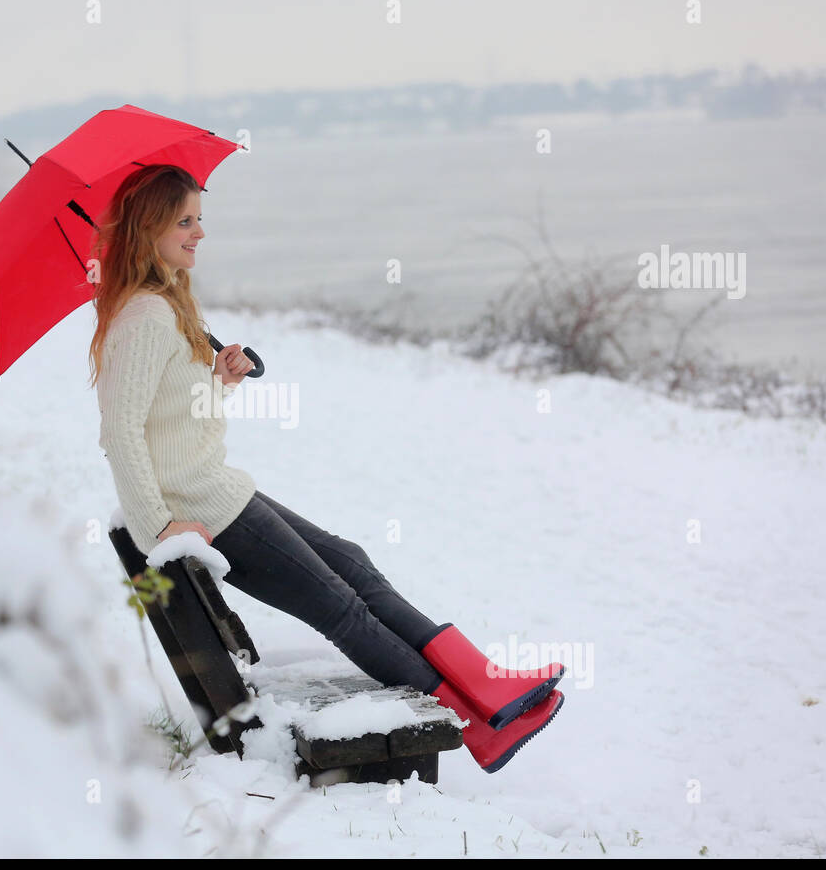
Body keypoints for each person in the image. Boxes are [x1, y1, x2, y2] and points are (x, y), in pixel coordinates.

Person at [88, 164, 564, 773]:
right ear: (148, 227)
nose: (200, 232)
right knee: (342, 610)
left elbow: (174, 422)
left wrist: (220, 381)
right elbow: (120, 434)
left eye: (200, 218)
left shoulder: (168, 306)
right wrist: (161, 529)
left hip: (220, 493)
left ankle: (487, 685)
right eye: (185, 220)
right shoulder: (145, 318)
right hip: (209, 510)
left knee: (353, 562)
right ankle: (476, 725)